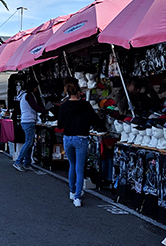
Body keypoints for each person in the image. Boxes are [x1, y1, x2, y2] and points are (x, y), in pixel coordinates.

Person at [57, 78, 104, 207]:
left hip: (67, 138)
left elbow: (60, 124)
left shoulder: (64, 106)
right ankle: (77, 196)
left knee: (72, 165)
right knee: (79, 167)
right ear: (78, 92)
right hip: (81, 138)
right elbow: (95, 121)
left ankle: (72, 191)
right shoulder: (85, 105)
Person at [13, 79, 47, 172]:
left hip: (25, 120)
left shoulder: (23, 95)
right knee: (29, 142)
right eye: (35, 87)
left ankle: (27, 162)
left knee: (29, 142)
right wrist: (45, 110)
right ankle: (18, 161)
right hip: (29, 120)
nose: (36, 89)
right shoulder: (29, 95)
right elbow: (35, 107)